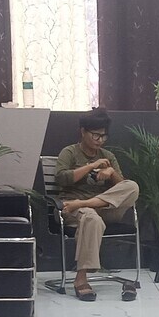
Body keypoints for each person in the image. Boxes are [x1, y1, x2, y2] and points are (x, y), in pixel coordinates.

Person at [57, 110, 141, 301]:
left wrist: (111, 173)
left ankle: (85, 203)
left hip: (103, 207)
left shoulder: (107, 155)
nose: (100, 140)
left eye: (103, 136)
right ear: (83, 132)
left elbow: (123, 187)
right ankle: (81, 279)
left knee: (133, 187)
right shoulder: (69, 152)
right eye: (96, 135)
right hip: (75, 210)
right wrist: (90, 166)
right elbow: (61, 178)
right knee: (91, 218)